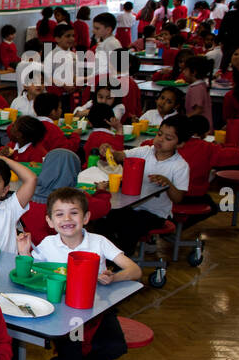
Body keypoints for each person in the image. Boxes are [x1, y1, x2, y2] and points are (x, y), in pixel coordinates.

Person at [5, 186, 140, 360]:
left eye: (74, 213)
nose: (67, 219)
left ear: (86, 217)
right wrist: (24, 252)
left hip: (97, 310)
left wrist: (114, 277)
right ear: (50, 221)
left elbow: (135, 270)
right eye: (59, 214)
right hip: (65, 316)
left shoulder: (98, 242)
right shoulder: (48, 245)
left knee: (115, 346)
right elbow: (31, 274)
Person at [90, 116, 191, 255]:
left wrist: (168, 184)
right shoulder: (145, 151)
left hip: (156, 214)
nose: (160, 139)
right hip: (131, 208)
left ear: (180, 144)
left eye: (168, 138)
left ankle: (122, 261)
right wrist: (108, 150)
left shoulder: (180, 166)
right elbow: (120, 156)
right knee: (103, 219)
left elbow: (178, 198)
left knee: (130, 228)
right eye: (159, 134)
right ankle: (105, 256)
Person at [19, 148, 110, 244]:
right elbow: (104, 208)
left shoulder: (27, 193)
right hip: (67, 249)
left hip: (32, 249)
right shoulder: (76, 198)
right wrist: (101, 191)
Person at [181, 56, 215, 130]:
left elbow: (198, 110)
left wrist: (183, 119)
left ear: (193, 72)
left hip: (200, 128)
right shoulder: (201, 85)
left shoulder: (196, 88)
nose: (183, 72)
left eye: (185, 70)